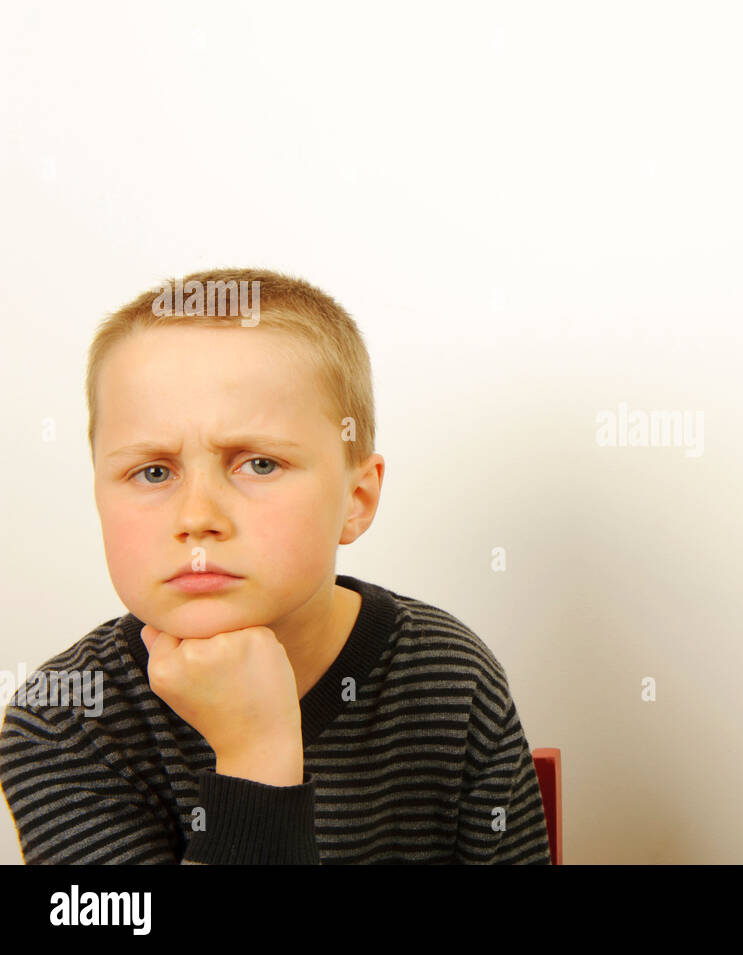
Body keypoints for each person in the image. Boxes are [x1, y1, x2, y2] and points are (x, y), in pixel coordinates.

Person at [0, 268, 551, 863]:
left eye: (258, 464)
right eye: (154, 471)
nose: (197, 517)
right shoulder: (64, 718)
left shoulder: (449, 677)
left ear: (356, 501)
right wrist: (255, 761)